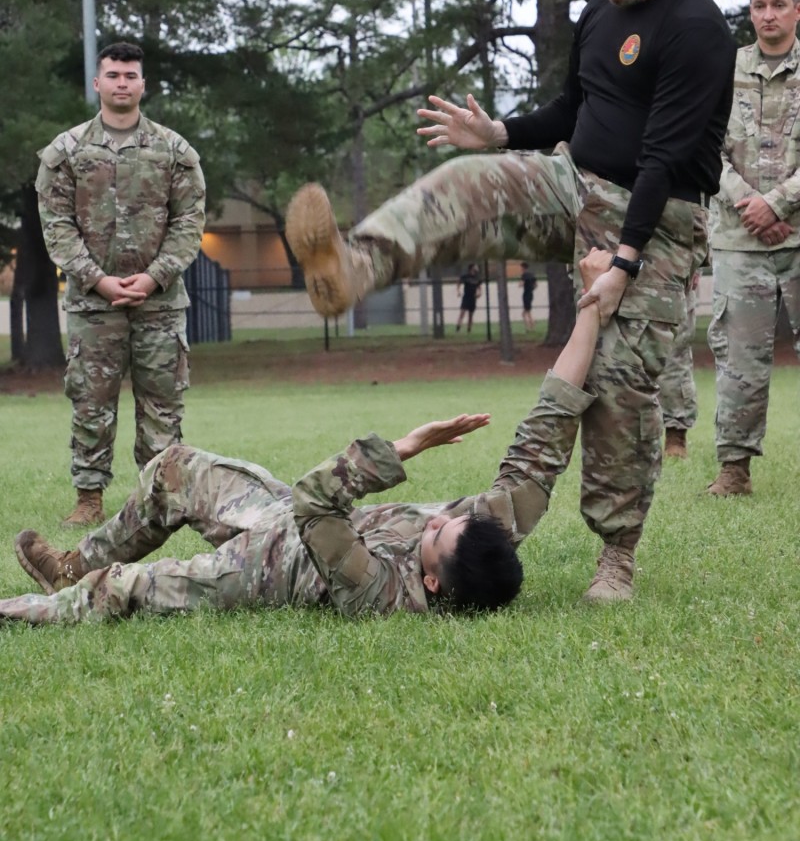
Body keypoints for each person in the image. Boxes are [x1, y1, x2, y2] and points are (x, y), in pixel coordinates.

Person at [286, 0, 736, 601]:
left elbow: (661, 160)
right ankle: (351, 266)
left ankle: (616, 555)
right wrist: (499, 134)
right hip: (573, 181)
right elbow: (572, 108)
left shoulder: (698, 30)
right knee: (472, 180)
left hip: (657, 223)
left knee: (616, 388)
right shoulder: (600, 11)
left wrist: (621, 264)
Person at [1, 252, 608, 627]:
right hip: (275, 513)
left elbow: (316, 500)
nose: (434, 520)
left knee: (122, 590)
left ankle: (34, 607)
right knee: (174, 469)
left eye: (437, 534)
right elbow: (547, 431)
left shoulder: (376, 591)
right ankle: (70, 566)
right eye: (446, 519)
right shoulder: (489, 530)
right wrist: (592, 308)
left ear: (431, 584)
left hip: (260, 570)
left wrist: (403, 449)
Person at [36, 41, 206, 528]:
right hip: (94, 305)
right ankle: (89, 499)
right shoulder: (67, 152)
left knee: (162, 404)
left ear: (143, 84)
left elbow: (189, 222)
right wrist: (98, 280)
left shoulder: (174, 151)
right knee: (91, 402)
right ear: (97, 83)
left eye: (131, 75)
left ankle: (163, 499)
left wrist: (155, 277)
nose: (122, 83)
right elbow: (57, 225)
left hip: (161, 303)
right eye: (113, 75)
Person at [706, 0, 800, 496]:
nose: (768, 15)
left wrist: (778, 202)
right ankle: (734, 469)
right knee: (739, 359)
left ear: (797, 11)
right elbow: (705, 147)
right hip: (740, 240)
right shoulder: (724, 70)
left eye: (779, 5)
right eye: (759, 5)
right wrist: (753, 206)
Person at [658, 272, 700, 459]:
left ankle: (676, 434)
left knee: (675, 350)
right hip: (607, 252)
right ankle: (620, 434)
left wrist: (696, 261)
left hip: (670, 259)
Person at [456, 263, 482, 332]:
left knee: (470, 314)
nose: (477, 268)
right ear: (471, 268)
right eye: (475, 267)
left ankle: (469, 329)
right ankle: (458, 326)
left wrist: (479, 293)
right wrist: (458, 291)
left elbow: (479, 287)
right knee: (462, 312)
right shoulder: (466, 276)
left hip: (473, 298)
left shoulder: (477, 278)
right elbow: (459, 282)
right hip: (466, 297)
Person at [520, 262, 537, 332]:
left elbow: (521, 283)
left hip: (526, 294)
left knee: (527, 312)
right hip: (531, 294)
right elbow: (536, 285)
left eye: (521, 267)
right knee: (525, 313)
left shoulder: (524, 275)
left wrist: (520, 284)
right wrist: (531, 288)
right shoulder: (532, 275)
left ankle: (532, 325)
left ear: (523, 268)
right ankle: (529, 327)